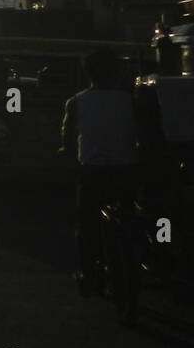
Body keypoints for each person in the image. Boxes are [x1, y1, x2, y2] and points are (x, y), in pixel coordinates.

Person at [59, 49, 142, 298]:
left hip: (92, 174)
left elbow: (68, 141)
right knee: (130, 216)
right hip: (126, 173)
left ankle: (86, 271)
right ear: (116, 72)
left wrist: (67, 153)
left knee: (86, 225)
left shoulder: (76, 102)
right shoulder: (132, 100)